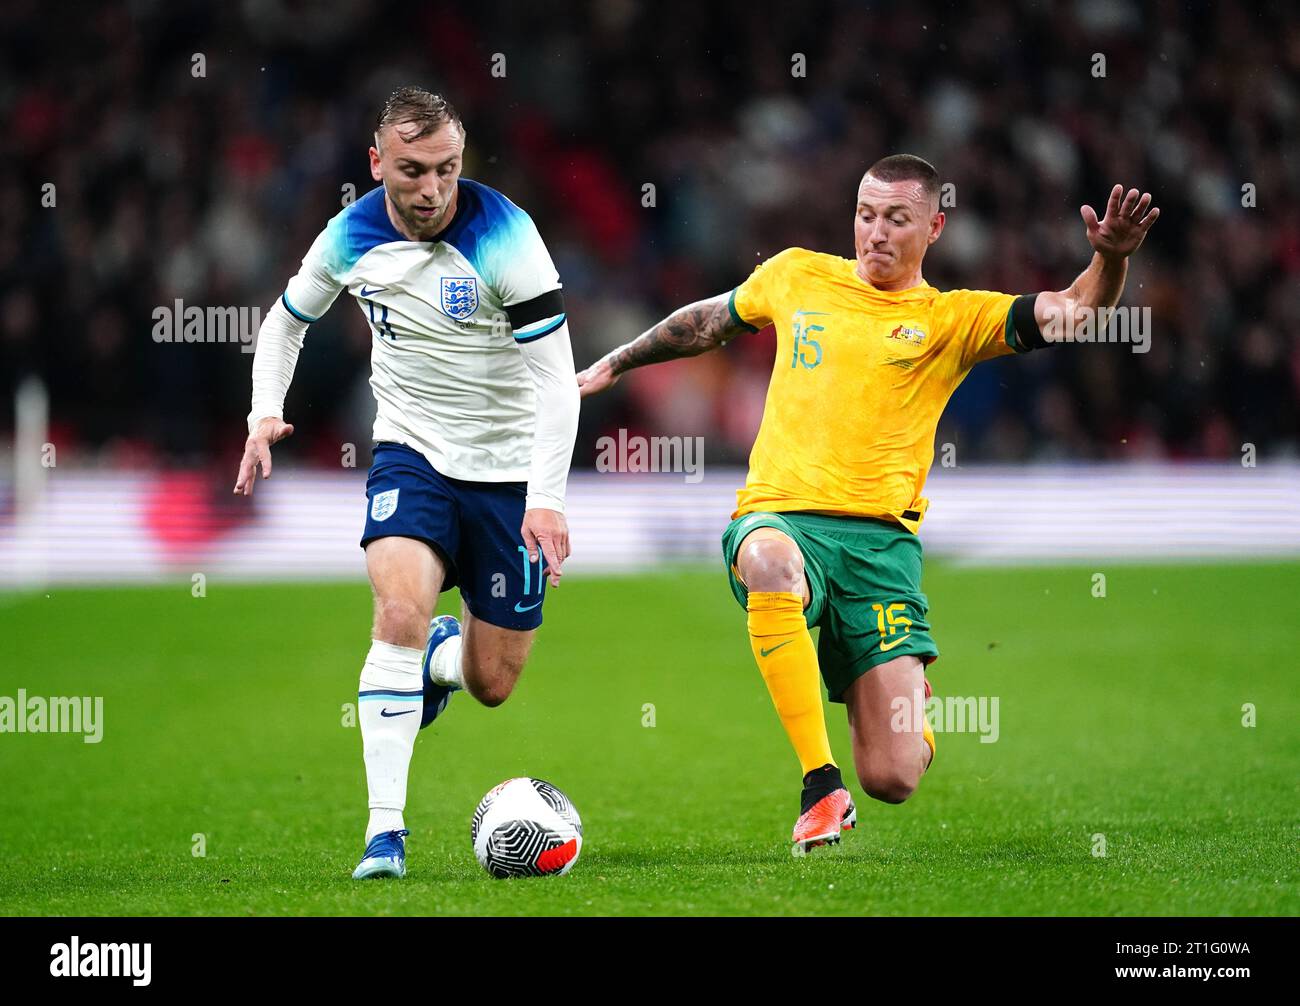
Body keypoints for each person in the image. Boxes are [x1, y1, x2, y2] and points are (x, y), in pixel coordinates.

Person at [578, 154, 1158, 852]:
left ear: (935, 226)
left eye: (897, 219)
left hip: (881, 550)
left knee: (893, 776)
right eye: (865, 214)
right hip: (781, 517)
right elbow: (709, 322)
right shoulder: (797, 274)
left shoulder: (951, 319)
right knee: (766, 562)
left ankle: (901, 707)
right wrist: (617, 361)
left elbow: (1074, 312)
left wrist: (1113, 262)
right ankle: (819, 786)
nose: (875, 232)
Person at [234, 87, 580, 878]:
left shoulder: (506, 238)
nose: (431, 189)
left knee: (493, 683)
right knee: (396, 612)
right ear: (377, 163)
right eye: (413, 171)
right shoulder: (349, 236)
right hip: (410, 454)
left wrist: (547, 499)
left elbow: (557, 384)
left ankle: (441, 659)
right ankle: (383, 834)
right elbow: (287, 320)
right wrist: (264, 414)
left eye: (447, 169)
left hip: (507, 473)